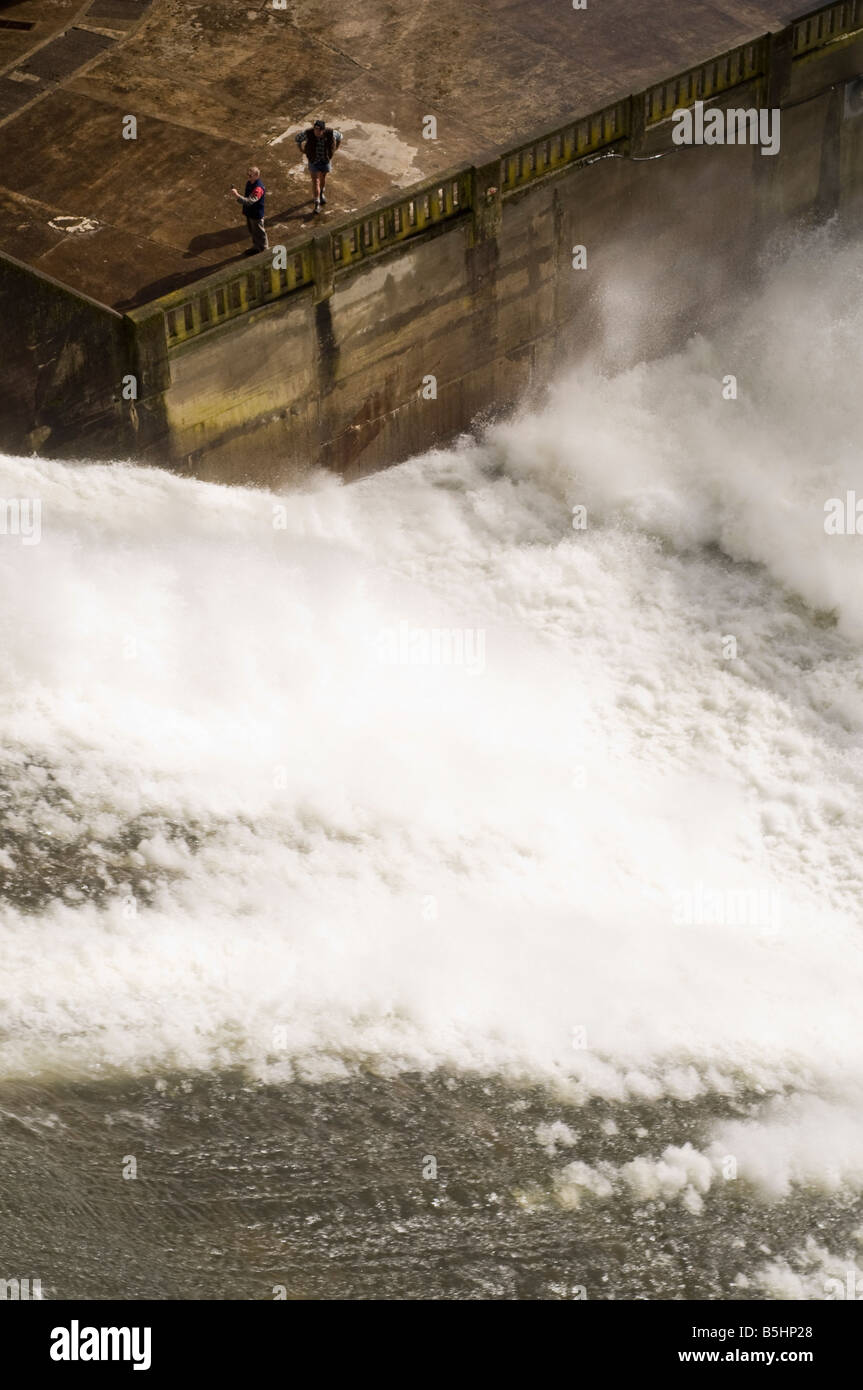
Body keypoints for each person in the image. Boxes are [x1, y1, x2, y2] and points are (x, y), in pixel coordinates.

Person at [295, 120, 342, 213]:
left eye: (318, 130)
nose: (316, 132)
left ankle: (321, 193)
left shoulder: (331, 133)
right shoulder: (309, 133)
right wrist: (301, 149)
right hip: (313, 161)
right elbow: (297, 138)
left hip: (325, 160)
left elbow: (340, 137)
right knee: (316, 181)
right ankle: (317, 203)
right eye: (315, 129)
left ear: (323, 130)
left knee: (323, 178)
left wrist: (335, 148)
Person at [230, 166, 268, 254]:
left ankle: (265, 250)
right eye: (248, 175)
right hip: (250, 213)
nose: (248, 177)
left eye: (250, 176)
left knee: (260, 233)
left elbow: (249, 201)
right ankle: (256, 247)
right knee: (253, 231)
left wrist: (237, 195)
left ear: (256, 176)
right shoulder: (249, 183)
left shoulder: (258, 188)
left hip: (256, 214)